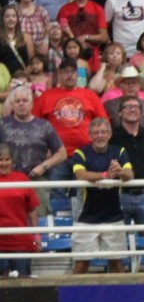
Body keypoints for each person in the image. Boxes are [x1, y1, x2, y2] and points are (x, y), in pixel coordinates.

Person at [33, 57, 108, 203]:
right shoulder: (46, 96)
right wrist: (43, 148)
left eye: (73, 72)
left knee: (84, 196)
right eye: (65, 72)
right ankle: (59, 225)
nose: (69, 75)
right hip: (57, 156)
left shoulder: (90, 95)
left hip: (86, 155)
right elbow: (36, 125)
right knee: (56, 195)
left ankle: (80, 224)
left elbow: (103, 123)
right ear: (59, 75)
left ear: (77, 75)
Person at [71, 117, 134, 274]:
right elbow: (81, 175)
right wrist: (106, 175)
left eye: (103, 132)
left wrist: (119, 171)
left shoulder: (119, 151)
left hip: (113, 217)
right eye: (96, 132)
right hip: (86, 218)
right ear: (90, 135)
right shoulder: (80, 153)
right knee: (81, 265)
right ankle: (74, 298)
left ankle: (122, 297)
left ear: (110, 134)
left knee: (117, 264)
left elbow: (130, 174)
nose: (100, 136)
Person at [110, 96, 144, 228]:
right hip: (120, 195)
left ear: (141, 112)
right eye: (127, 106)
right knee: (120, 240)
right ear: (120, 113)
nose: (132, 110)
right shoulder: (112, 137)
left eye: (136, 107)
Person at [1, 85, 66, 180]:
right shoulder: (2, 125)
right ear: (12, 105)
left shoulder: (44, 126)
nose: (21, 104)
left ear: (32, 104)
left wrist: (44, 166)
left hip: (37, 180)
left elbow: (62, 154)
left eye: (25, 100)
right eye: (17, 101)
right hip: (8, 181)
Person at [56, 0, 109, 75]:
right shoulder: (64, 10)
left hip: (93, 58)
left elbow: (104, 37)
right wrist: (76, 43)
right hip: (71, 58)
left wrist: (86, 37)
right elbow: (62, 37)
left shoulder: (97, 9)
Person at [0, 142, 39, 277]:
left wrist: (37, 236)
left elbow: (32, 210)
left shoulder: (22, 179)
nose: (3, 163)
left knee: (23, 285)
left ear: (12, 161)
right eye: (0, 159)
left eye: (7, 159)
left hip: (21, 242)